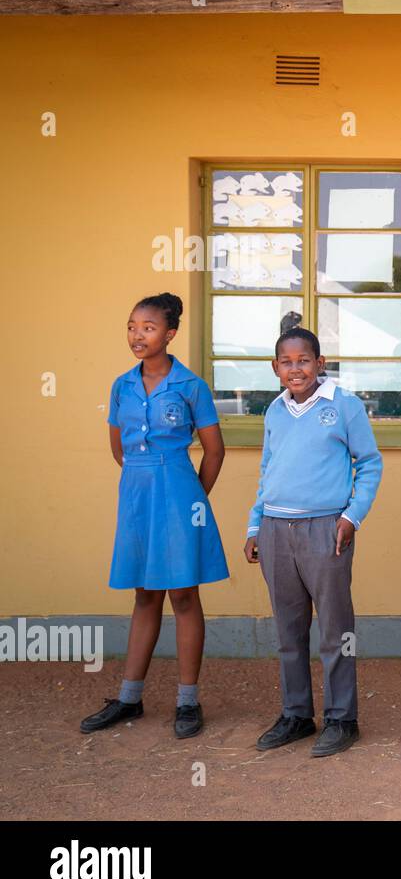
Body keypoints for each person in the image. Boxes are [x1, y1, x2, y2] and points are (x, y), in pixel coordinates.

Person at [80, 292, 228, 740]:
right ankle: (129, 698)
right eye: (131, 326)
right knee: (144, 595)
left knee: (183, 595)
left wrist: (190, 501)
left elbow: (214, 450)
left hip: (180, 492)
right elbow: (118, 448)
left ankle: (187, 701)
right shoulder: (121, 385)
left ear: (170, 334)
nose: (137, 335)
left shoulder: (190, 386)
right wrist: (144, 482)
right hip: (137, 495)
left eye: (147, 327)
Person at [244, 327, 384, 758]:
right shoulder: (274, 411)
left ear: (320, 364)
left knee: (336, 629)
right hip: (276, 530)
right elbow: (268, 472)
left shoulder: (343, 406)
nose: (295, 368)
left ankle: (343, 718)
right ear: (275, 369)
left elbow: (371, 464)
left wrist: (351, 517)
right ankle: (297, 714)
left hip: (327, 529)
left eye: (304, 360)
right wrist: (254, 526)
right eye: (286, 362)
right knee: (289, 631)